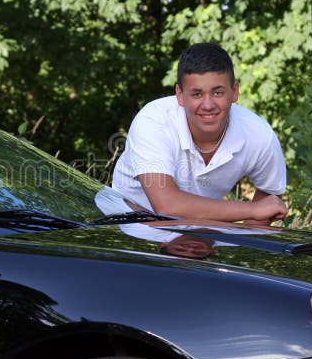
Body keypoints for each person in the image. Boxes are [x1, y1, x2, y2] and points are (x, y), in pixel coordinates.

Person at [112, 42, 288, 225]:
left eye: (218, 92)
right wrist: (252, 210)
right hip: (125, 222)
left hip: (198, 228)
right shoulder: (153, 120)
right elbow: (166, 204)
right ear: (179, 95)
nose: (208, 105)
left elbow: (270, 195)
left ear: (234, 91)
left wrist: (246, 245)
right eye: (197, 94)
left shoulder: (259, 135)